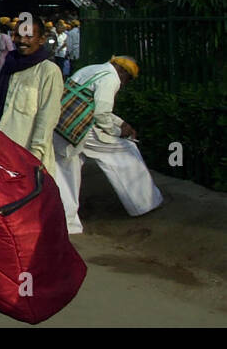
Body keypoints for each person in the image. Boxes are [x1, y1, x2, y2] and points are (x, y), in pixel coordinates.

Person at [51, 56, 163, 235]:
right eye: (128, 80)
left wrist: (121, 123)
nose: (125, 84)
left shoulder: (91, 68)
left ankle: (66, 223)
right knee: (126, 150)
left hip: (61, 126)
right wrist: (119, 132)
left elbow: (90, 103)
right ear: (124, 73)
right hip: (82, 130)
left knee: (66, 173)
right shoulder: (111, 79)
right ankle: (144, 203)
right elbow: (102, 114)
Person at [0, 13, 64, 179]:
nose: (22, 41)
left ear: (41, 39)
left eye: (29, 37)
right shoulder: (8, 65)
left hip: (25, 152)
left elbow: (48, 116)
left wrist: (35, 155)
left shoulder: (48, 71)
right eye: (18, 36)